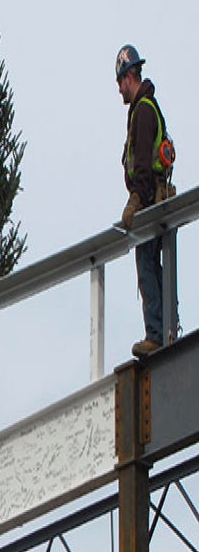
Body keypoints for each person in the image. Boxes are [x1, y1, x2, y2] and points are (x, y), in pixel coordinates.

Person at [116, 44, 176, 357]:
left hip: (150, 200)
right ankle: (166, 328)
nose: (119, 90)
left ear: (128, 76)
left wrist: (135, 201)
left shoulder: (142, 111)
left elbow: (142, 163)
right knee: (154, 265)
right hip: (156, 197)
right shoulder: (148, 108)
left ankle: (157, 334)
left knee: (147, 268)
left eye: (119, 82)